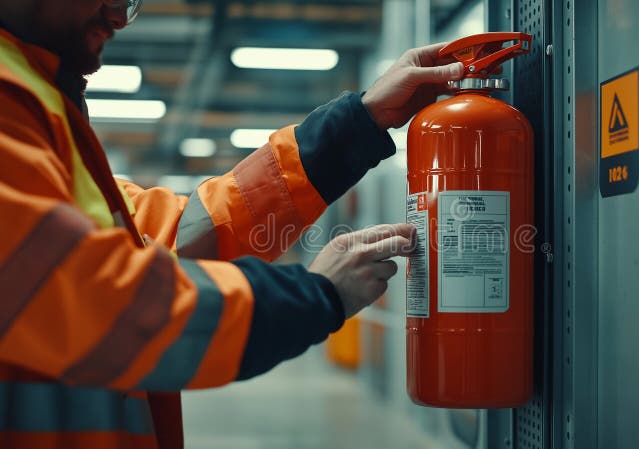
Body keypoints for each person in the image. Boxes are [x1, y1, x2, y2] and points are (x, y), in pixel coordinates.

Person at [0, 0, 465, 448]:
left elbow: (186, 233)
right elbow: (97, 303)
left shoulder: (36, 107)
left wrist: (360, 122)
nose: (118, 16)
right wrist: (316, 295)